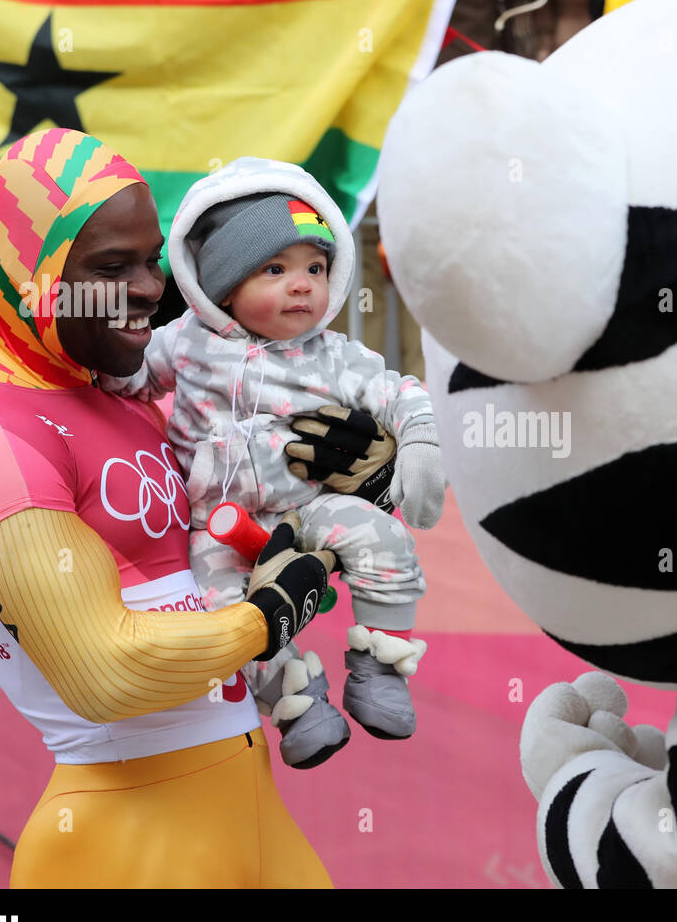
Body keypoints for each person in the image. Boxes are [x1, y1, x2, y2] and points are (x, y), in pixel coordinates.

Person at [0, 127, 392, 888]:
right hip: (119, 841)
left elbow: (255, 521)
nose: (150, 288)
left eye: (151, 259)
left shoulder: (118, 395)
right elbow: (104, 673)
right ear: (32, 278)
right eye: (112, 267)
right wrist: (266, 617)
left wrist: (359, 480)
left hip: (249, 811)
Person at [103, 157, 447, 769]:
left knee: (385, 536)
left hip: (310, 508)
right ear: (222, 286)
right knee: (224, 617)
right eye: (275, 268)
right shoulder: (185, 341)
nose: (303, 284)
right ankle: (298, 705)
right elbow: (124, 377)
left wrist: (417, 439)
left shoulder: (333, 355)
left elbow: (399, 390)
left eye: (316, 267)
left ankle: (380, 668)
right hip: (216, 523)